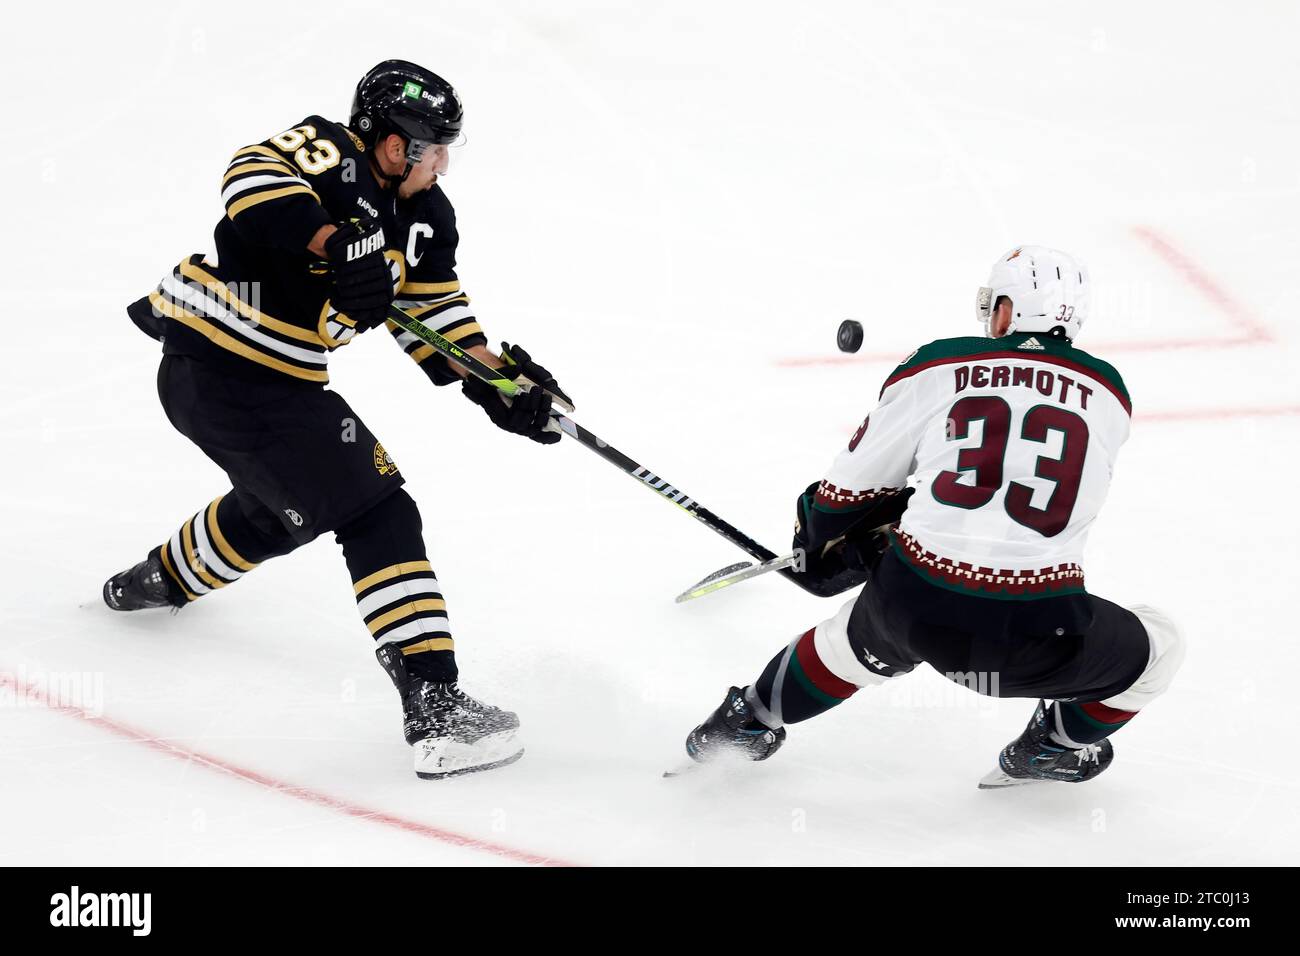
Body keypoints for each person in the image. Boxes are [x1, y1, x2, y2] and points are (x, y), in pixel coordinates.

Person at [103, 59, 570, 780]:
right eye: (434, 147)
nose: (444, 162)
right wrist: (334, 241)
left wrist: (500, 382)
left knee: (281, 509)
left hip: (273, 384)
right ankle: (436, 706)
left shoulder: (426, 217)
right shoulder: (331, 154)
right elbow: (248, 177)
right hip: (219, 364)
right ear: (393, 145)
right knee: (375, 506)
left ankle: (154, 581)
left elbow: (433, 315)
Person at [682, 246, 1185, 787]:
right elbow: (1022, 494)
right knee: (1162, 644)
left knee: (852, 640)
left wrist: (821, 541)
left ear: (1009, 311)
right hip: (1033, 635)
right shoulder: (1110, 392)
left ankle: (744, 724)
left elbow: (848, 488)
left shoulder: (938, 363)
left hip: (913, 607)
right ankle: (1050, 746)